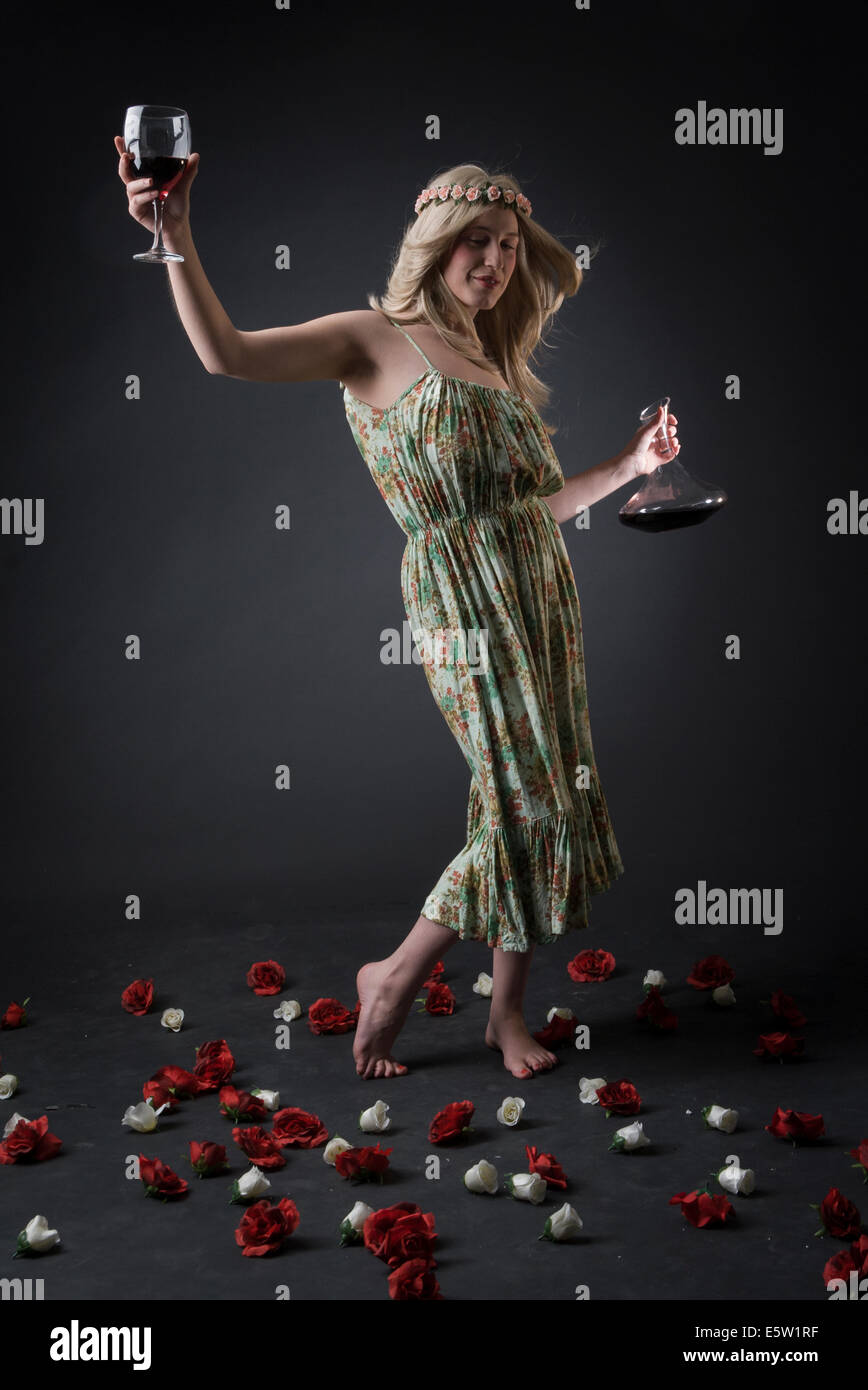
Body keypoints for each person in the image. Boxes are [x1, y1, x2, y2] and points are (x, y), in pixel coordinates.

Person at [114, 143, 679, 1083]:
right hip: (458, 597)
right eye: (475, 243)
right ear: (432, 245)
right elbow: (226, 355)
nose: (494, 262)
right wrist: (172, 237)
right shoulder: (374, 338)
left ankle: (506, 1014)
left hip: (539, 592)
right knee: (524, 804)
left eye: (506, 245)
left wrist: (629, 468)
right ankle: (394, 975)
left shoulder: (496, 362)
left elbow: (530, 511)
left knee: (527, 797)